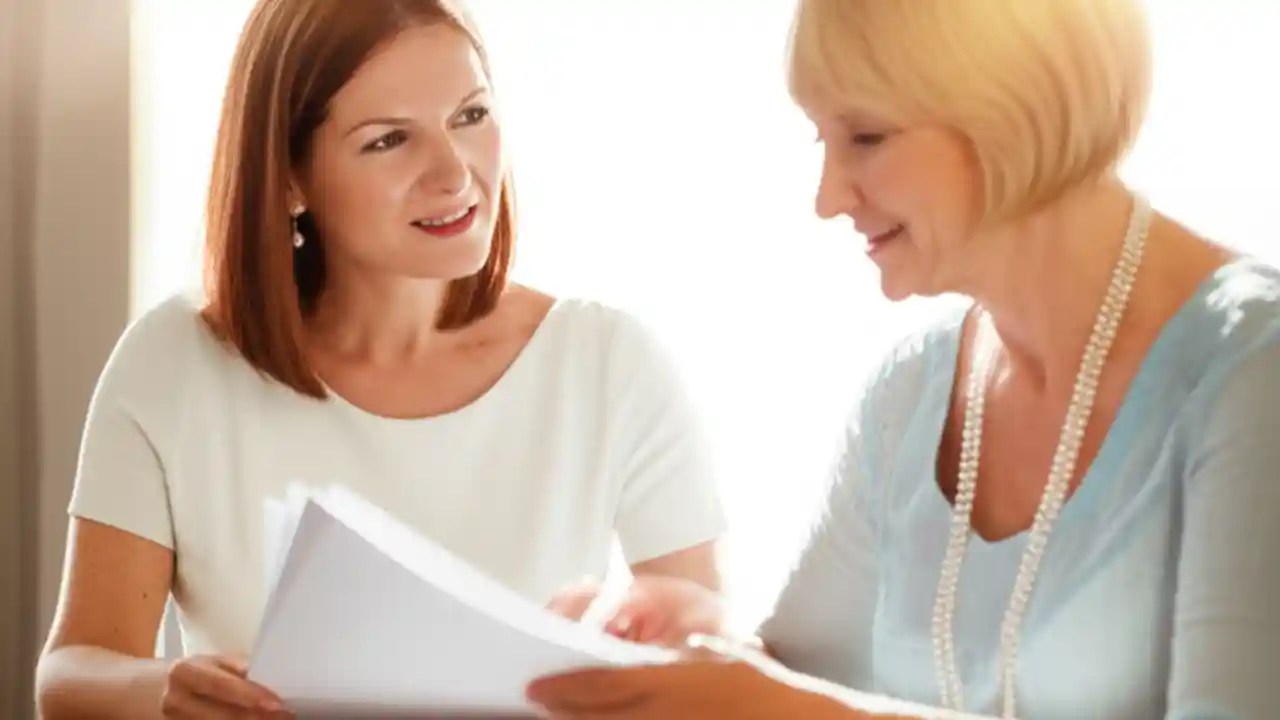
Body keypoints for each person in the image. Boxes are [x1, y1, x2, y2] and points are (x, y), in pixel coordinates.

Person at [531, 0, 1280, 718]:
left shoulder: (1253, 369)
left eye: (866, 137)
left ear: (1013, 105)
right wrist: (692, 640)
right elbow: (801, 681)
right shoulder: (911, 395)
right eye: (820, 140)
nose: (828, 198)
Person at [34, 1, 725, 717]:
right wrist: (164, 690)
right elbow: (70, 674)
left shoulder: (608, 365)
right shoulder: (175, 364)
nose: (454, 173)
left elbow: (720, 678)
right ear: (289, 178)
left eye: (470, 116)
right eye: (389, 140)